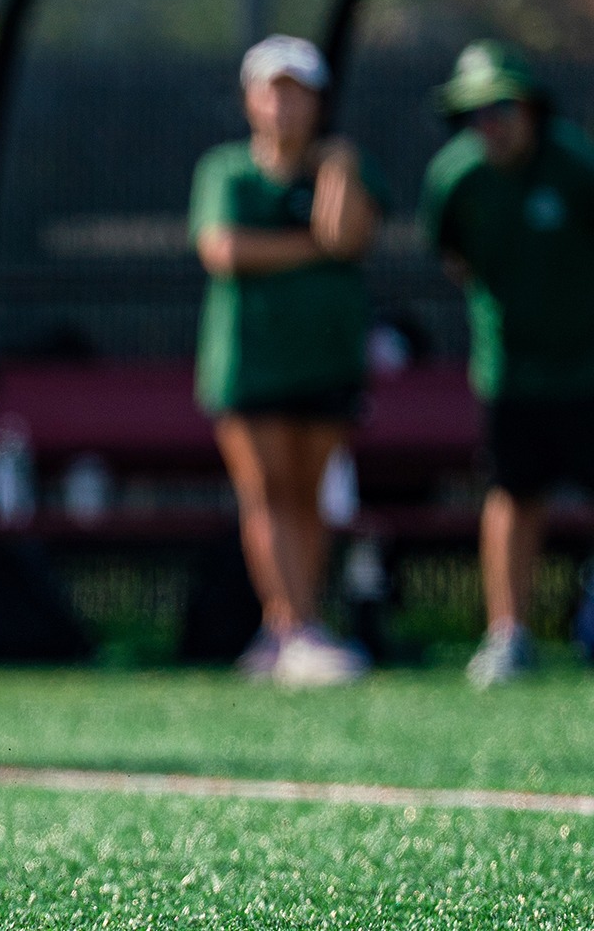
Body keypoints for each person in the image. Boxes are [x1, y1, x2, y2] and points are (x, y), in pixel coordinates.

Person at [190, 35, 382, 687]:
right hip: (249, 365)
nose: (285, 105)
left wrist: (339, 169)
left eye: (298, 92)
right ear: (250, 99)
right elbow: (226, 251)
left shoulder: (342, 167)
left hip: (326, 360)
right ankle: (293, 626)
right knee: (266, 492)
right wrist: (309, 250)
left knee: (310, 495)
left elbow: (344, 236)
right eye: (273, 90)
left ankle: (293, 627)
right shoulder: (225, 170)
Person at [420, 41, 594, 688]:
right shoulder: (456, 177)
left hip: (586, 368)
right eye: (474, 114)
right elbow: (451, 252)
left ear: (529, 108)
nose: (488, 124)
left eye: (500, 109)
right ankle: (508, 634)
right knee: (514, 497)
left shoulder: (577, 165)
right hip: (511, 373)